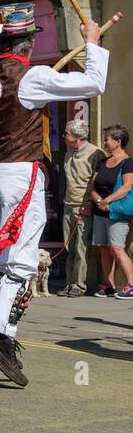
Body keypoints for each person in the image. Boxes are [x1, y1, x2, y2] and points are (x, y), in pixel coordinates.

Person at [0, 7, 107, 386]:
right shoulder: (33, 76)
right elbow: (94, 83)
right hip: (17, 172)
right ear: (29, 43)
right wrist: (92, 43)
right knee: (23, 259)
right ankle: (0, 334)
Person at [87, 123, 133, 300]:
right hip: (101, 212)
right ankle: (109, 285)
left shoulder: (128, 163)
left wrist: (107, 201)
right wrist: (99, 201)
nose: (104, 143)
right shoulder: (102, 162)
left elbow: (127, 187)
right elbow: (93, 186)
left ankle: (130, 285)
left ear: (118, 141)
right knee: (104, 249)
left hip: (117, 213)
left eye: (106, 139)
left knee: (117, 248)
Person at [61, 120, 103, 296]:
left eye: (66, 133)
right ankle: (70, 282)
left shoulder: (95, 153)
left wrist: (90, 204)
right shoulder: (69, 151)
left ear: (77, 137)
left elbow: (97, 182)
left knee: (81, 247)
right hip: (68, 204)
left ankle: (80, 285)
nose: (63, 136)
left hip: (83, 206)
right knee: (69, 246)